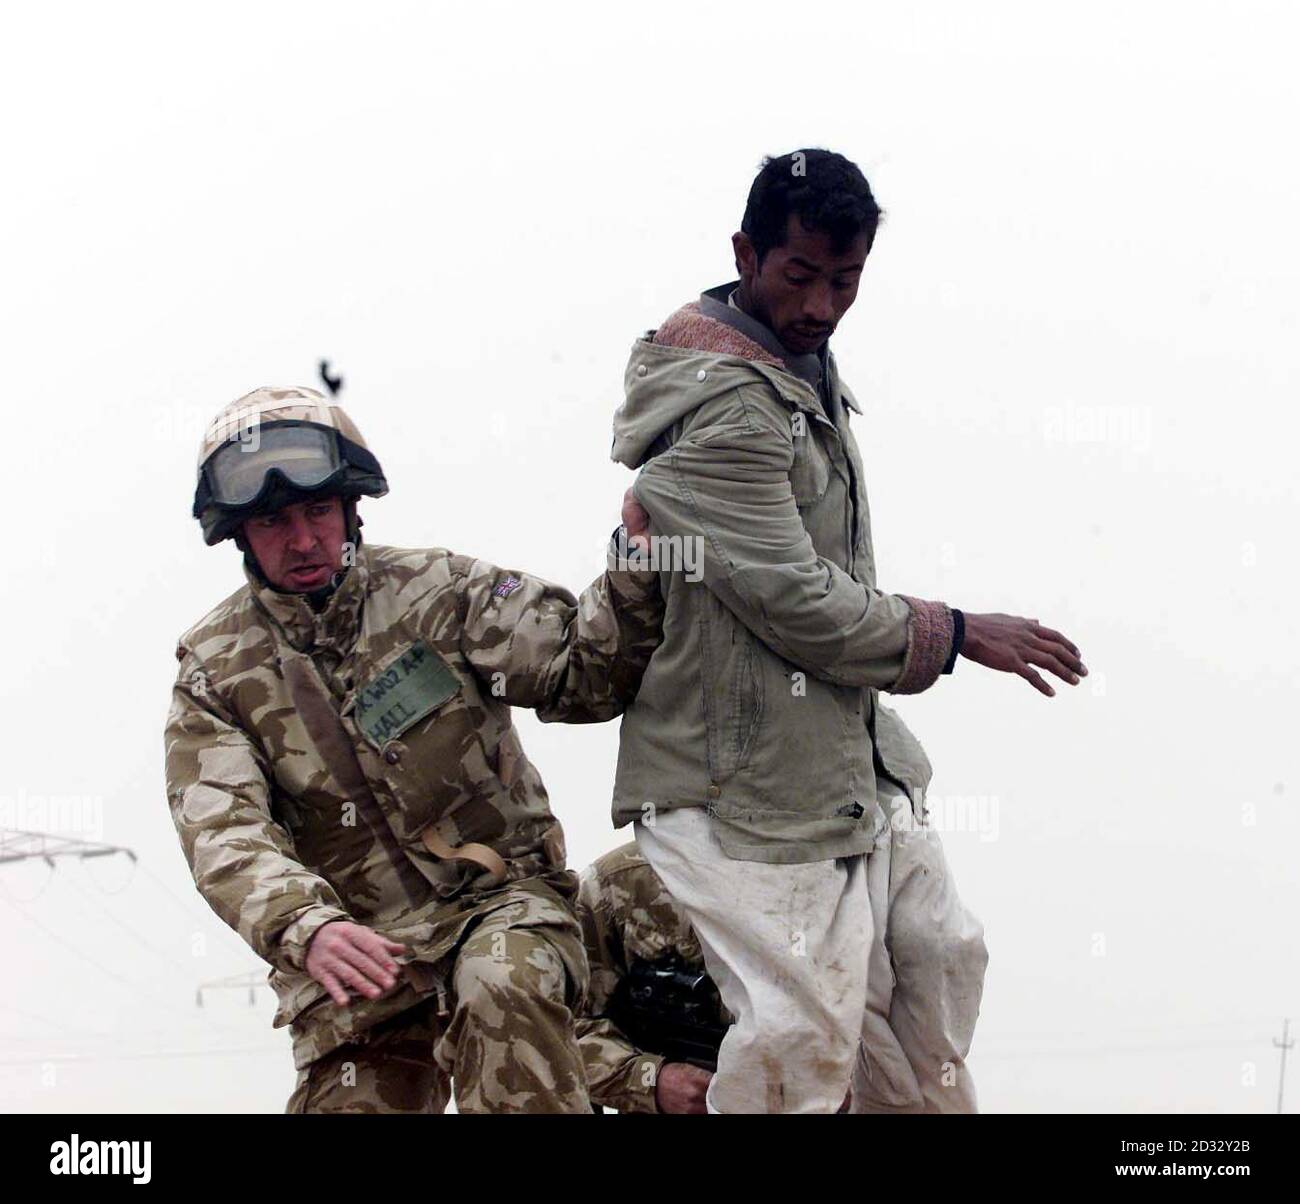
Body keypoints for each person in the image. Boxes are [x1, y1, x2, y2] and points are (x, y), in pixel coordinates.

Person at [608, 149, 1085, 1113]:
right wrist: (952, 633)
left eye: (846, 281)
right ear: (745, 254)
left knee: (942, 954)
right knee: (797, 1040)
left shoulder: (799, 375)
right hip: (737, 784)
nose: (823, 304)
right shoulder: (725, 410)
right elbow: (796, 601)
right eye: (800, 277)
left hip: (845, 758)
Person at [164, 385, 661, 1113]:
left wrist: (637, 567)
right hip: (357, 969)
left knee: (502, 985)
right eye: (272, 521)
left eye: (317, 512)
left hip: (499, 912)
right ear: (238, 533)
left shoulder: (442, 590)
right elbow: (222, 831)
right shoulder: (216, 668)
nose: (302, 541)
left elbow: (578, 677)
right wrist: (308, 926)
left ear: (350, 509)